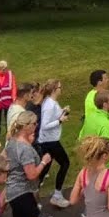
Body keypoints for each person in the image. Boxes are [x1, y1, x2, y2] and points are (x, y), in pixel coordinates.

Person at [35, 80, 72, 209]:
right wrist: (60, 121)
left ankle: (32, 194)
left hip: (48, 140)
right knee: (65, 163)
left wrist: (63, 111)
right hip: (50, 141)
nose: (61, 89)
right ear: (54, 90)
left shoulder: (51, 102)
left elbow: (53, 116)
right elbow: (45, 125)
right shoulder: (50, 105)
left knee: (45, 168)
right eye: (60, 87)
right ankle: (56, 196)